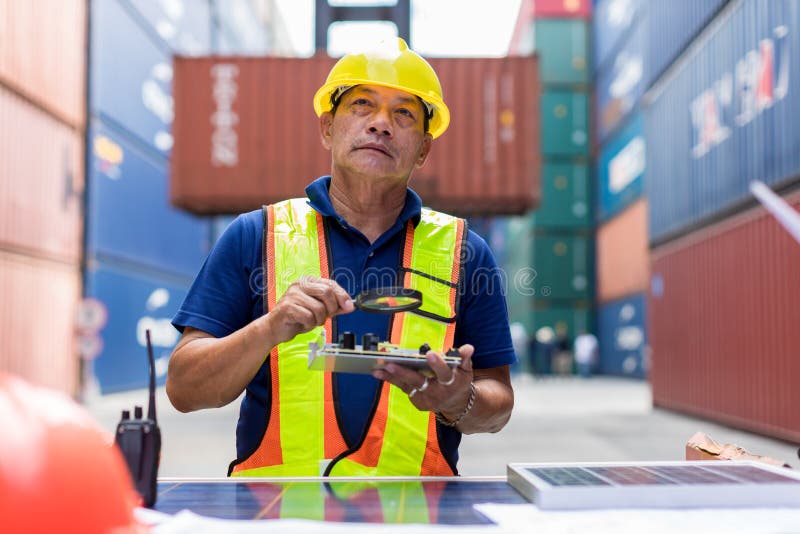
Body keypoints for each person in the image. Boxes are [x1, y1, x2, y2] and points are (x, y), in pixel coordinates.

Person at [167, 38, 516, 478]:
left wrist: (458, 401)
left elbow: (498, 404)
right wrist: (268, 328)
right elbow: (184, 389)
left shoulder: (465, 252)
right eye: (363, 106)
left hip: (416, 517)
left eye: (404, 113)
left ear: (424, 149)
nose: (381, 124)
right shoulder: (255, 236)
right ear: (328, 128)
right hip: (277, 517)